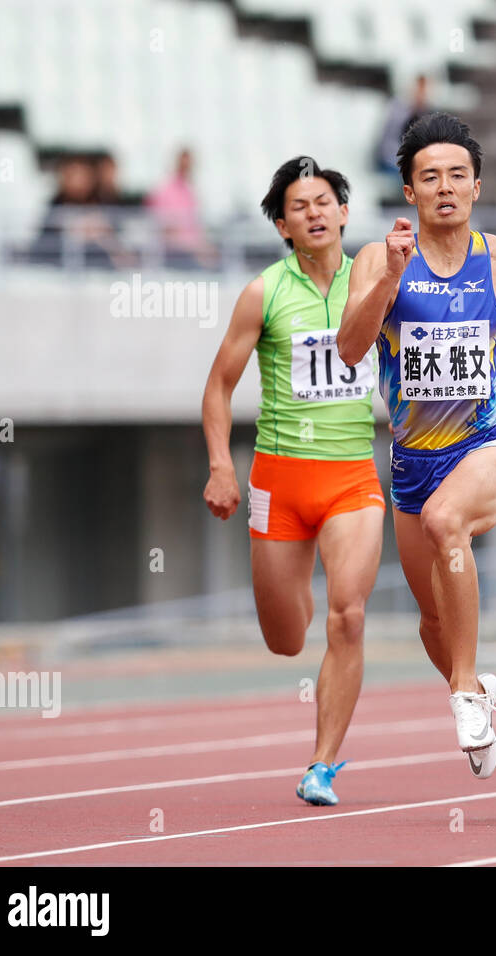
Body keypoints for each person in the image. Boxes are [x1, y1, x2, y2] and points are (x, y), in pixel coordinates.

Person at [338, 112, 496, 779]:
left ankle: (461, 695)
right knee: (433, 622)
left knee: (450, 524)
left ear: (476, 186)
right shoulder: (378, 257)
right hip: (412, 464)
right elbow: (349, 349)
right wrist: (390, 280)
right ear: (409, 192)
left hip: (488, 447)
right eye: (430, 177)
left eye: (457, 174)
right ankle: (474, 683)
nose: (445, 186)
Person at [201, 157, 385, 806]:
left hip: (352, 479)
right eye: (298, 206)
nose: (313, 212)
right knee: (286, 640)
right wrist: (223, 465)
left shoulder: (378, 280)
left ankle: (322, 765)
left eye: (324, 201)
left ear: (342, 212)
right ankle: (303, 591)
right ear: (282, 225)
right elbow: (219, 386)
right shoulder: (264, 292)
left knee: (350, 616)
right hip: (279, 482)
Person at [147, 148, 216, 268]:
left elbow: (196, 228)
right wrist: (195, 248)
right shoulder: (164, 190)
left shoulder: (190, 191)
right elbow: (165, 230)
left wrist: (203, 247)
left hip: (192, 249)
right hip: (174, 253)